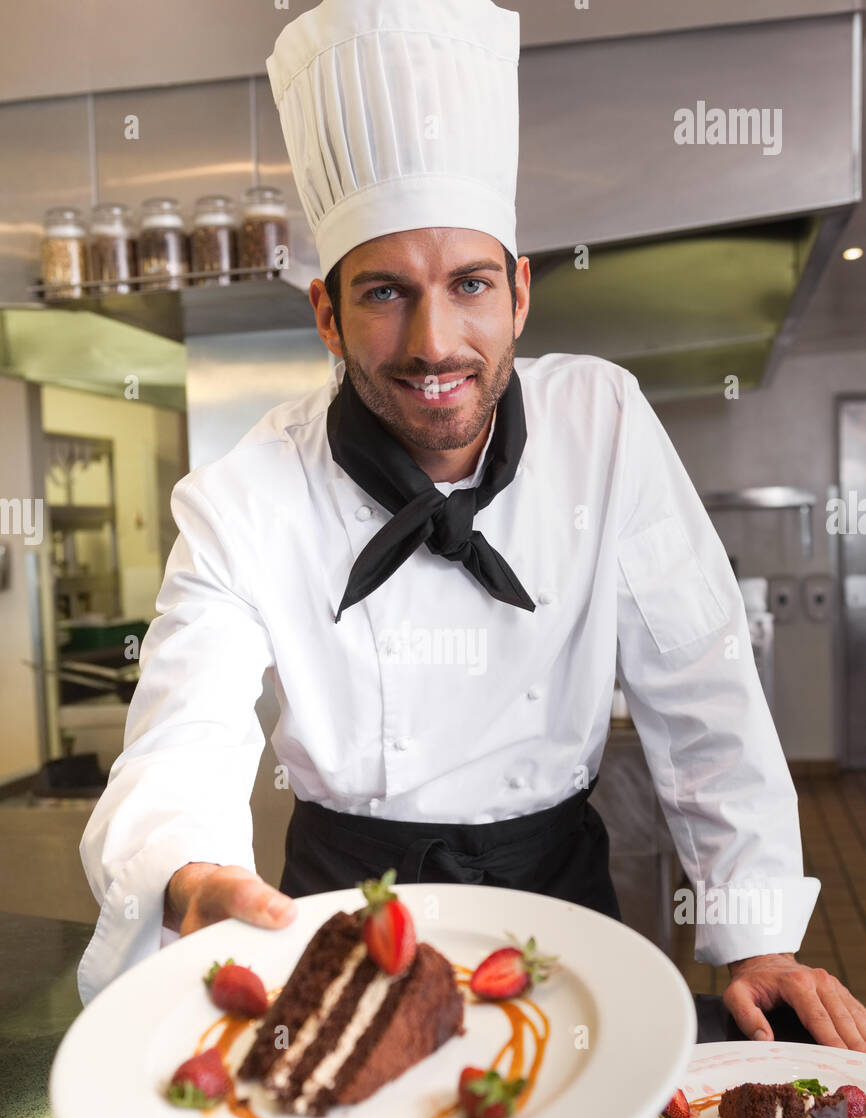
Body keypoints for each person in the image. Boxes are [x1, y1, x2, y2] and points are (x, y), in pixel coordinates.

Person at [77, 0, 866, 1053]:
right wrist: (190, 870)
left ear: (520, 294)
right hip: (341, 917)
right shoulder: (245, 491)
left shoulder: (602, 423)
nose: (432, 339)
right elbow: (184, 729)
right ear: (325, 313)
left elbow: (700, 682)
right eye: (386, 294)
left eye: (469, 284)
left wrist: (755, 930)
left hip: (561, 908)